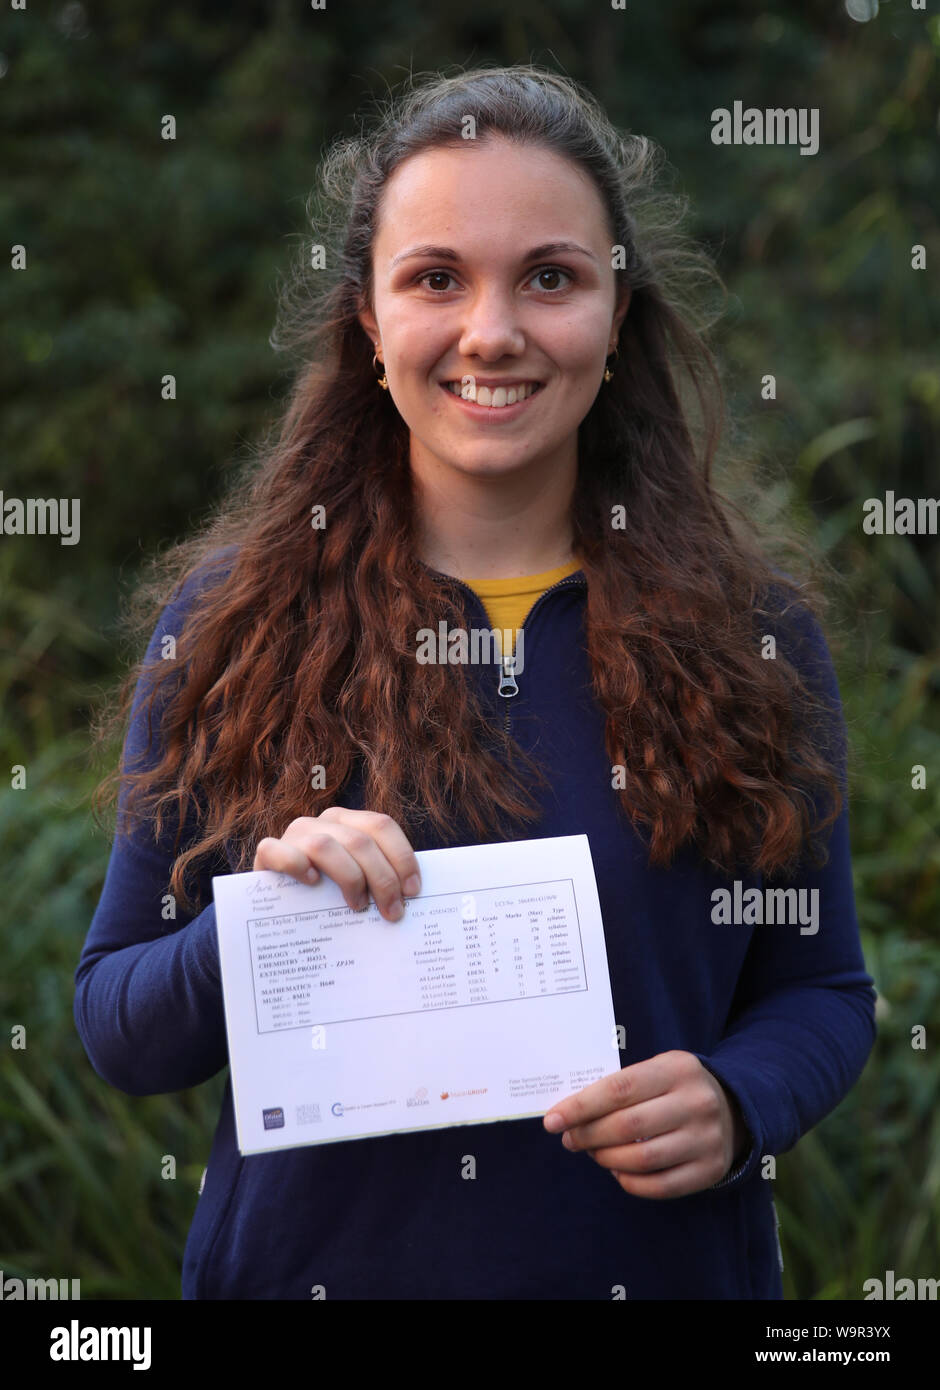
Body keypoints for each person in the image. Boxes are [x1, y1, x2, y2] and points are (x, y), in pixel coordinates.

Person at [76, 64, 876, 1300]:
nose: (491, 330)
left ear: (617, 314)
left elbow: (819, 988)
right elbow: (121, 1024)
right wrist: (262, 918)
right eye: (436, 277)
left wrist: (738, 1099)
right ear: (367, 322)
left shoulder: (749, 633)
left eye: (548, 277)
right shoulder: (233, 625)